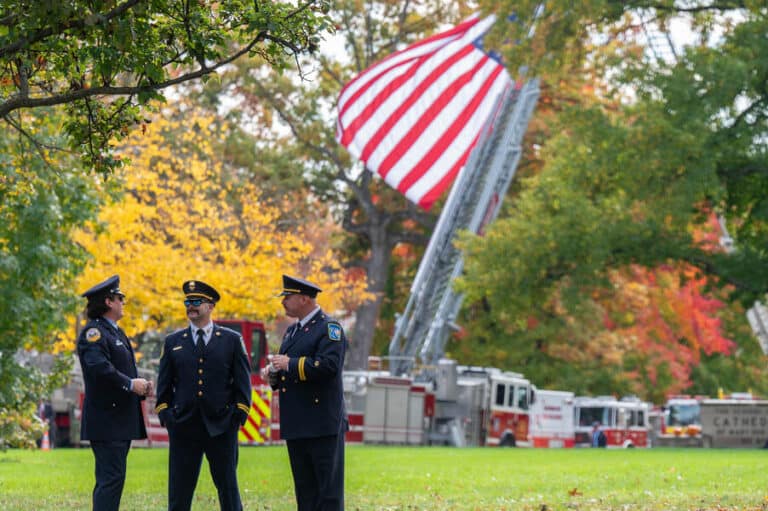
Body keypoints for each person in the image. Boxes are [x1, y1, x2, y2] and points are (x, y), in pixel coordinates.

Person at [155, 280, 251, 511]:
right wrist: (167, 416)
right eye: (188, 302)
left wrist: (237, 415)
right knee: (179, 492)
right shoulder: (173, 342)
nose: (191, 306)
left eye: (196, 302)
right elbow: (164, 387)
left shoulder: (231, 340)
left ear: (211, 306)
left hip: (221, 426)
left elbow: (243, 382)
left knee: (228, 488)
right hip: (183, 427)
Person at [264, 275, 348, 511]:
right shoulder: (292, 332)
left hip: (322, 423)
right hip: (297, 423)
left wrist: (289, 364)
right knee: (305, 491)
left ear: (303, 299)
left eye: (287, 297)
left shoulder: (329, 328)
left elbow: (329, 367)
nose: (283, 302)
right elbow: (287, 373)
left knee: (327, 493)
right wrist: (273, 373)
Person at [77, 274, 150, 511]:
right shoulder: (94, 334)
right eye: (120, 298)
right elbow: (100, 368)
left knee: (115, 479)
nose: (123, 302)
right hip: (107, 420)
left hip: (119, 420)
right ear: (109, 302)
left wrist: (139, 385)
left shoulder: (115, 332)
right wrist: (130, 384)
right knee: (110, 480)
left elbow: (121, 367)